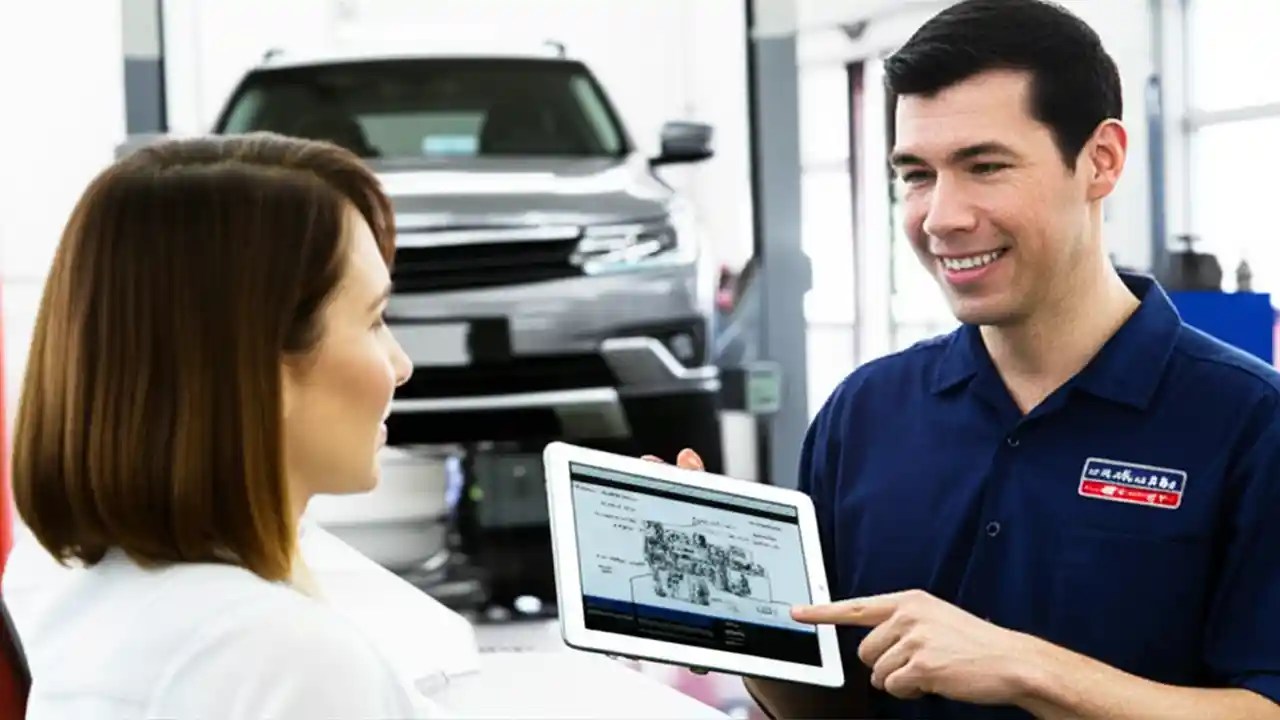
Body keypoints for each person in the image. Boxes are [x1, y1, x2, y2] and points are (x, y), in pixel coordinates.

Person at [662, 1, 1280, 718]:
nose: (941, 217)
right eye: (916, 174)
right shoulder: (864, 414)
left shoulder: (1249, 426)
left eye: (985, 166)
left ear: (1101, 161)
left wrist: (1027, 668)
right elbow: (831, 710)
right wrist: (731, 627)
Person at [8, 133, 437, 718]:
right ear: (262, 368)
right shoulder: (290, 661)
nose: (400, 365)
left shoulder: (73, 602)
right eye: (373, 321)